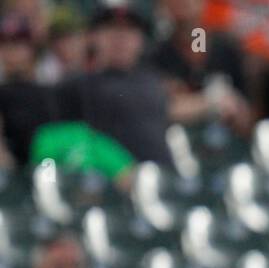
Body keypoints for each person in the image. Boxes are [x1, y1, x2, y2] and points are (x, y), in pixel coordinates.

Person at [55, 5, 172, 168]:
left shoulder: (153, 81)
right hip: (105, 183)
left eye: (129, 30)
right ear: (93, 37)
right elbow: (59, 141)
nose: (120, 38)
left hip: (161, 180)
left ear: (141, 39)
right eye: (111, 29)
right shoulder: (76, 86)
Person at [151, 0, 254, 138]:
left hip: (225, 140)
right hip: (179, 140)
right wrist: (212, 101)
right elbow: (160, 110)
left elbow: (247, 115)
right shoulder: (158, 55)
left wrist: (235, 109)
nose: (184, 3)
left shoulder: (225, 47)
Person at [0, 14, 60, 168]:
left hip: (47, 173)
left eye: (18, 44)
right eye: (5, 44)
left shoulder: (51, 93)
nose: (11, 51)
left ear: (32, 50)